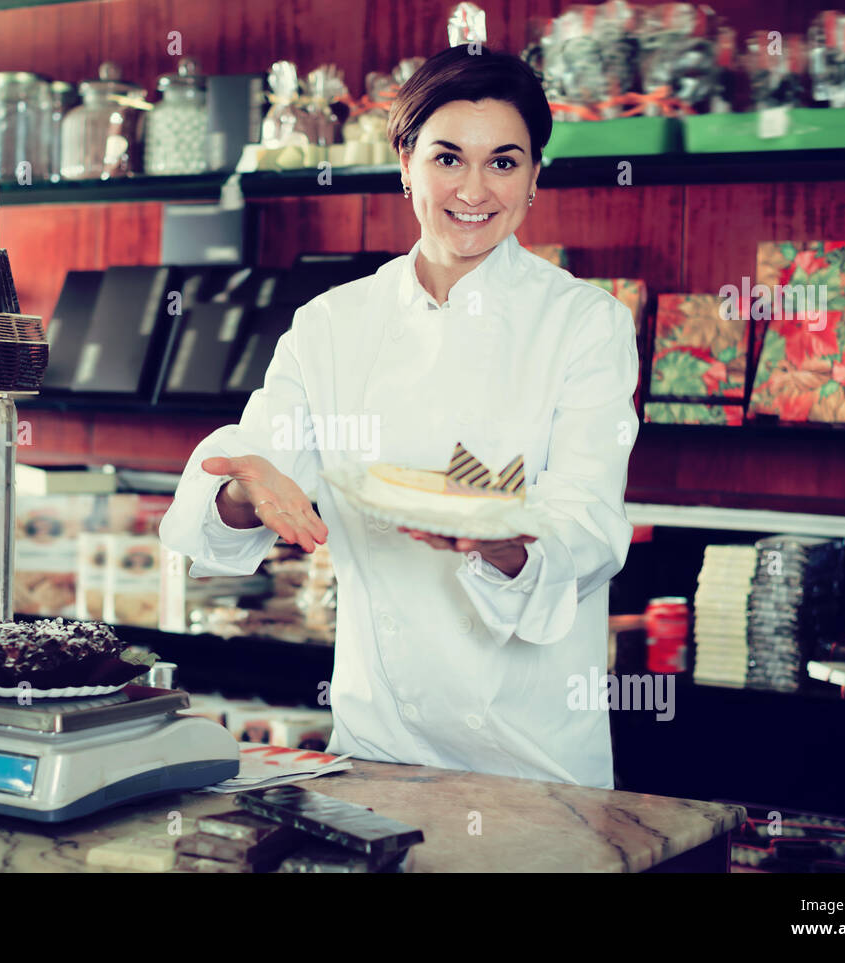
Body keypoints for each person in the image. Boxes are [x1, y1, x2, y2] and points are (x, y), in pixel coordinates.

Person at [159, 45, 639, 788]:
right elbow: (244, 480)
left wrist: (494, 538)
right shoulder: (333, 324)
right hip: (378, 742)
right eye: (448, 158)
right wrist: (244, 484)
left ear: (536, 178)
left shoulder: (585, 323)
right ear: (405, 163)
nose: (474, 188)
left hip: (536, 759)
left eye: (504, 162)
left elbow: (591, 525)